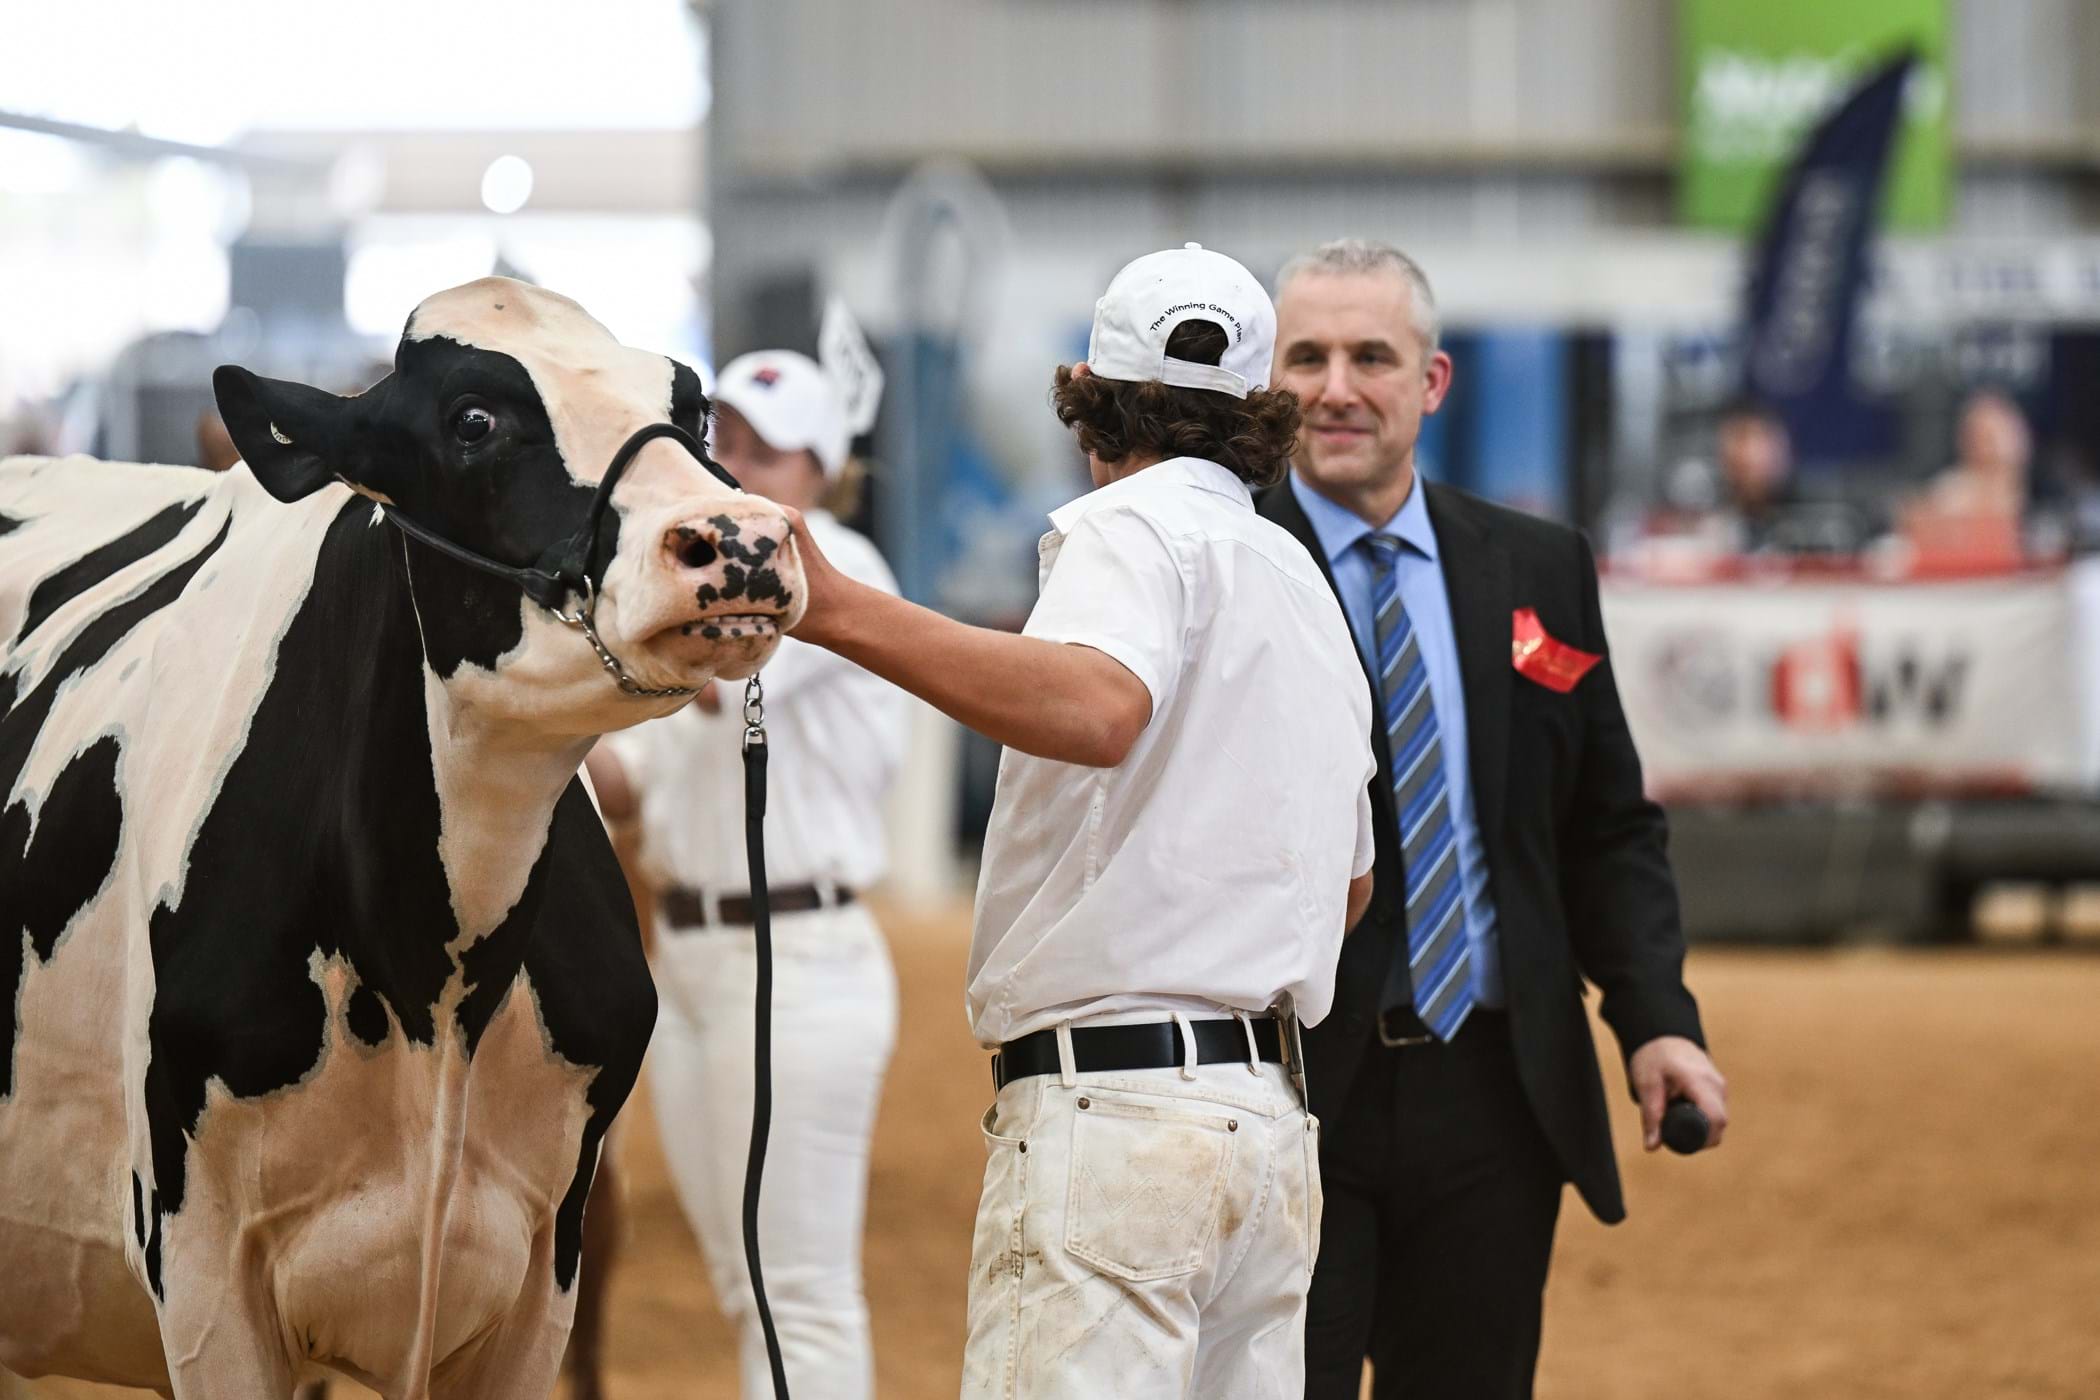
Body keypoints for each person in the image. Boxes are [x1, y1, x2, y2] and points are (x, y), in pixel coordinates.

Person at [783, 243, 1377, 1400]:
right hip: (1270, 1123)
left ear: (1089, 405)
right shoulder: (1299, 577)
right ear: (1259, 411)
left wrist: (841, 606)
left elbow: (1100, 705)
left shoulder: (1128, 528)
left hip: (1120, 1112)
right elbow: (1349, 883)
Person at [1259, 238, 1730, 1400]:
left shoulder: (1539, 566)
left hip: (1498, 1095)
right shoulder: (1228, 569)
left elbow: (1608, 825)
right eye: (1306, 356)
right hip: (1287, 1090)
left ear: (1433, 381)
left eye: (1372, 355)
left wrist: (1657, 1020)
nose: (1335, 387)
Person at [586, 348, 909, 1400]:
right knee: (746, 1280)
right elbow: (625, 782)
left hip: (798, 958)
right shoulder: (701, 587)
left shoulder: (833, 569)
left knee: (798, 1291)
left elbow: (710, 672)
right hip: (689, 959)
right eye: (723, 441)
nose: (736, 467)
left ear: (823, 468)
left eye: (769, 448)